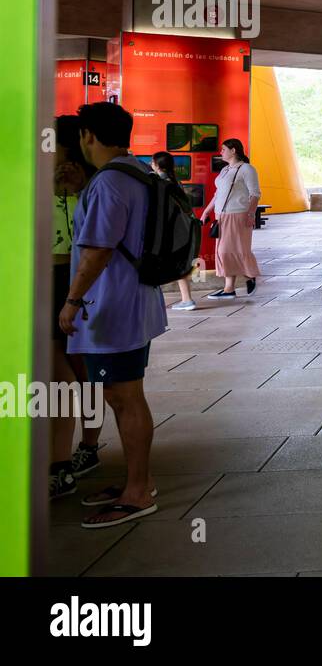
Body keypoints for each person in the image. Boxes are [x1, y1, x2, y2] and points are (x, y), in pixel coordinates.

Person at [60, 102, 166, 527]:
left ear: (87, 136)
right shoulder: (137, 171)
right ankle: (136, 481)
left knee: (124, 397)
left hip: (111, 308)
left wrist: (71, 301)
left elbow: (99, 251)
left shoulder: (108, 183)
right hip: (136, 303)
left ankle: (138, 491)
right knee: (126, 395)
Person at [49, 116, 104, 499]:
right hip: (68, 281)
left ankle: (65, 461)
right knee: (78, 372)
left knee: (69, 374)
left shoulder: (85, 186)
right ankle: (81, 450)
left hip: (66, 281)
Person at [199, 138, 261, 298]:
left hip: (238, 215)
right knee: (223, 251)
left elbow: (255, 194)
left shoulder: (247, 169)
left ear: (234, 151)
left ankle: (248, 276)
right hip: (222, 216)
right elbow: (218, 194)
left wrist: (251, 213)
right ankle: (229, 288)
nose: (221, 152)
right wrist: (207, 211)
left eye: (223, 149)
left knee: (230, 250)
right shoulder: (225, 170)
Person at [150, 152, 198, 311]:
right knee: (179, 264)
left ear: (157, 165)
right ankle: (186, 299)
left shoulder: (160, 182)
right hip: (183, 227)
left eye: (152, 162)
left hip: (171, 230)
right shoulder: (175, 180)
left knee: (169, 264)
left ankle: (186, 300)